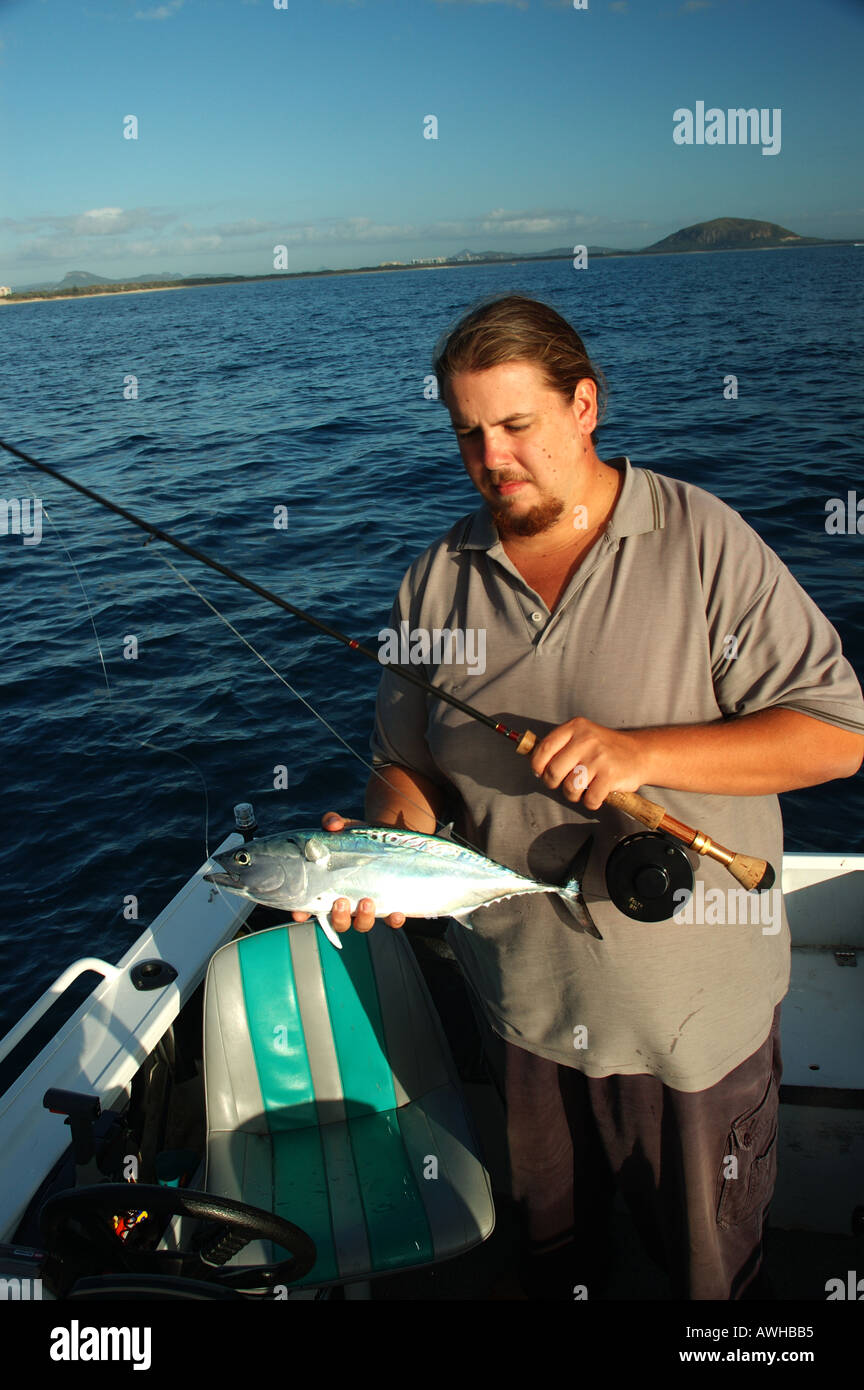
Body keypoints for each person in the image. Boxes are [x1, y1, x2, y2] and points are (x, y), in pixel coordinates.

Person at [293, 295, 864, 1300]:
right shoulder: (434, 583)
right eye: (469, 432)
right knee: (560, 1265)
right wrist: (382, 842)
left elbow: (836, 732)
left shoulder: (703, 542)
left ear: (585, 403)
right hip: (521, 1014)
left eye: (516, 424)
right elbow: (407, 767)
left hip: (693, 1021)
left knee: (712, 1279)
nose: (493, 456)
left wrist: (641, 753)